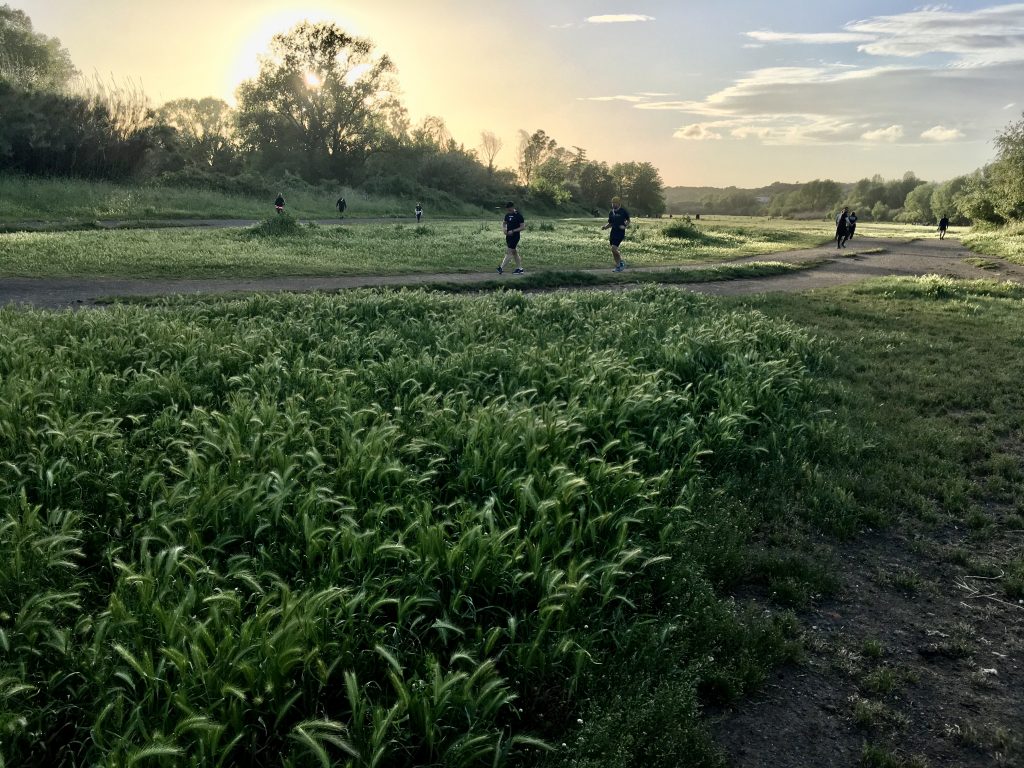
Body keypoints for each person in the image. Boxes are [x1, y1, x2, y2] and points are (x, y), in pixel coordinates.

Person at [602, 196, 631, 271]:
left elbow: (628, 221)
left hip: (620, 233)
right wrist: (605, 227)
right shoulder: (611, 212)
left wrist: (624, 226)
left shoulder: (623, 211)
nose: (613, 204)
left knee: (614, 248)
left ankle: (621, 263)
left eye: (615, 203)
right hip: (613, 232)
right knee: (613, 250)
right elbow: (610, 223)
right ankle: (618, 266)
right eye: (612, 203)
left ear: (619, 204)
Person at [497, 201, 526, 275]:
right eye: (507, 209)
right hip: (508, 237)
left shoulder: (519, 215)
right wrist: (504, 229)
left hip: (515, 236)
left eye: (509, 209)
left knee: (509, 252)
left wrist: (513, 231)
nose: (508, 210)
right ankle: (520, 269)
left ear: (513, 207)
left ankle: (501, 268)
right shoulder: (507, 215)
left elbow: (522, 227)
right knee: (514, 252)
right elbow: (504, 223)